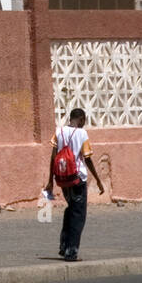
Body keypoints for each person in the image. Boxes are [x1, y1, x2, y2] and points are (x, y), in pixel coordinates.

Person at [46, 106, 103, 262]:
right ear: (82, 119)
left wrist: (50, 181)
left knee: (71, 210)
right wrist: (98, 180)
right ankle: (71, 252)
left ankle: (64, 246)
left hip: (63, 179)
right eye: (84, 121)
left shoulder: (59, 132)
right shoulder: (82, 134)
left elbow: (53, 157)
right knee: (79, 215)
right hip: (77, 179)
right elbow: (88, 158)